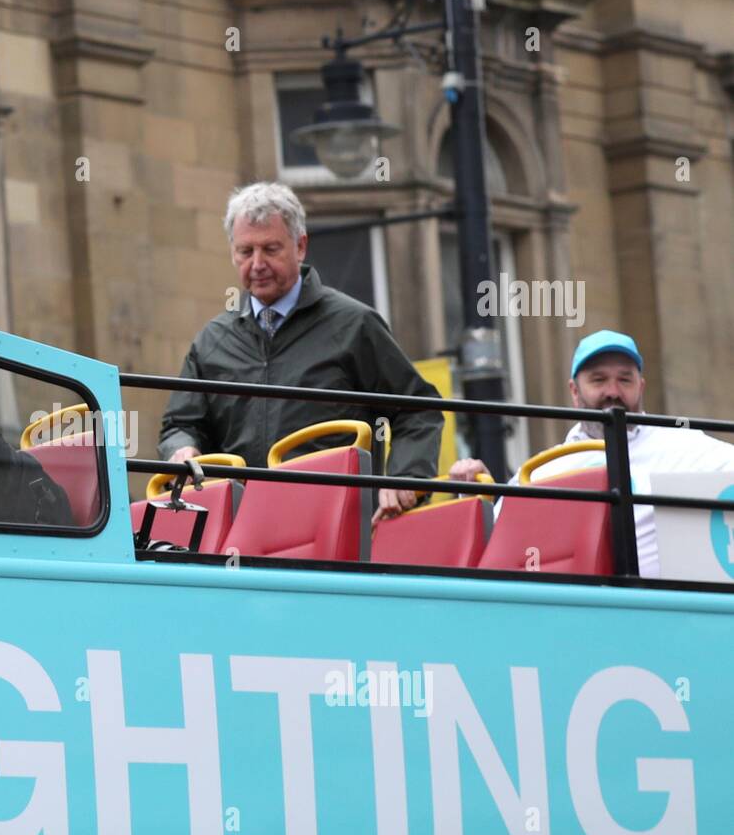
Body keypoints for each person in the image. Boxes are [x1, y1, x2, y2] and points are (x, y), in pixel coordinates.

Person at [158, 182, 443, 522]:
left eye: (271, 249)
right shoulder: (212, 341)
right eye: (246, 252)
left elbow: (418, 411)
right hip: (241, 532)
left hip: (336, 528)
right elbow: (181, 423)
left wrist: (404, 478)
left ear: (301, 246)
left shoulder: (354, 325)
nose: (258, 264)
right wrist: (181, 450)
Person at [449, 329, 734, 576]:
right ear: (575, 391)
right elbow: (501, 545)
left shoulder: (683, 444)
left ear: (641, 387)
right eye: (598, 380)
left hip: (664, 612)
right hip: (578, 614)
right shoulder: (544, 469)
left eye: (625, 380)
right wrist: (474, 496)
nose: (613, 391)